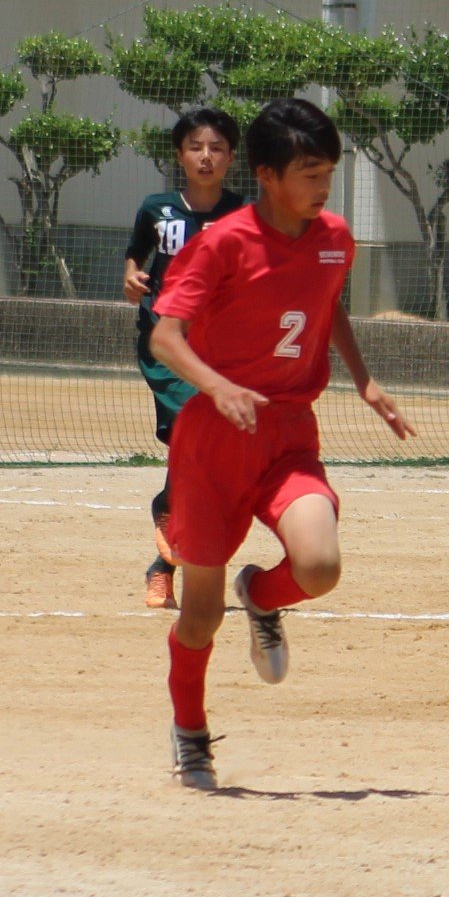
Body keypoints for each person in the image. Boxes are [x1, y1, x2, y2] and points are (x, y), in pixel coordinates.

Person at [149, 98, 415, 791]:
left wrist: (366, 380)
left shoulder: (333, 236)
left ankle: (262, 597)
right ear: (266, 175)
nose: (323, 186)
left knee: (321, 565)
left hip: (289, 433)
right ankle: (191, 732)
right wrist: (217, 386)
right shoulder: (224, 242)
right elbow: (164, 337)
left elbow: (328, 307)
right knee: (200, 617)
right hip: (215, 440)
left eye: (329, 171)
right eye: (309, 172)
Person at [122, 108, 246, 609]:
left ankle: (162, 563)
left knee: (208, 455)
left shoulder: (242, 214)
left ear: (231, 158)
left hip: (219, 349)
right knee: (191, 437)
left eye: (216, 148)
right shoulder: (157, 208)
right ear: (180, 155)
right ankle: (167, 518)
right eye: (196, 147)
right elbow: (135, 256)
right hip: (166, 343)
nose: (206, 156)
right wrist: (132, 276)